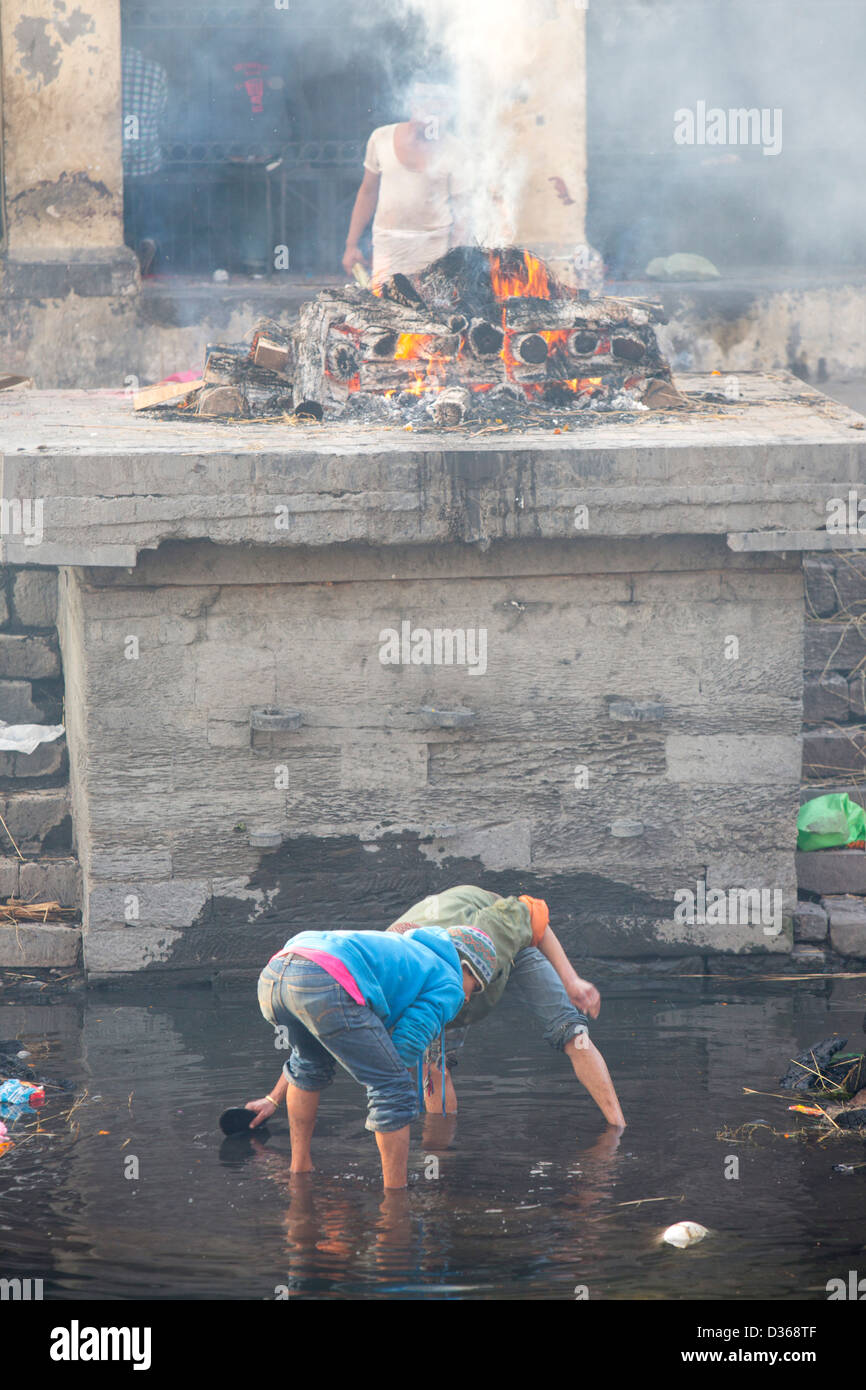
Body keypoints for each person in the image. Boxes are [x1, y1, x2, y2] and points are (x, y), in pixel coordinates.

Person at [245, 923, 497, 1189]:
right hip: (325, 977)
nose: (468, 997)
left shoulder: (409, 951)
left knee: (309, 1066)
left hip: (276, 972)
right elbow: (408, 1043)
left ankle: (299, 1170)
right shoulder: (449, 979)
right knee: (394, 1089)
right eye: (475, 986)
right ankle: (396, 1201)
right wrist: (390, 1080)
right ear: (466, 966)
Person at [387, 886, 625, 1129]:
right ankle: (439, 1156)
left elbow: (532, 913)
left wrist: (571, 980)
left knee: (573, 1033)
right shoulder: (388, 971)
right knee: (434, 1069)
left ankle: (618, 1128)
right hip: (438, 967)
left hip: (507, 945)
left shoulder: (488, 933)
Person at [342, 82, 470, 285]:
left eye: (438, 108)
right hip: (389, 246)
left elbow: (462, 211)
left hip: (435, 249)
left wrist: (456, 261)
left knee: (433, 312)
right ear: (411, 105)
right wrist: (351, 245)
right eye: (424, 105)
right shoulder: (380, 138)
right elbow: (367, 193)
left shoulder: (456, 150)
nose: (430, 114)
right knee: (386, 308)